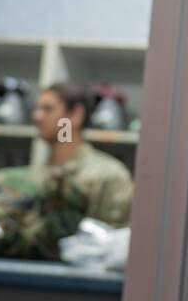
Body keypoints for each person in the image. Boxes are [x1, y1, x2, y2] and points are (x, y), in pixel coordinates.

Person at [32, 82, 133, 228]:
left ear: (76, 114)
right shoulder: (40, 172)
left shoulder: (109, 175)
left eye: (48, 109)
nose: (37, 116)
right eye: (37, 109)